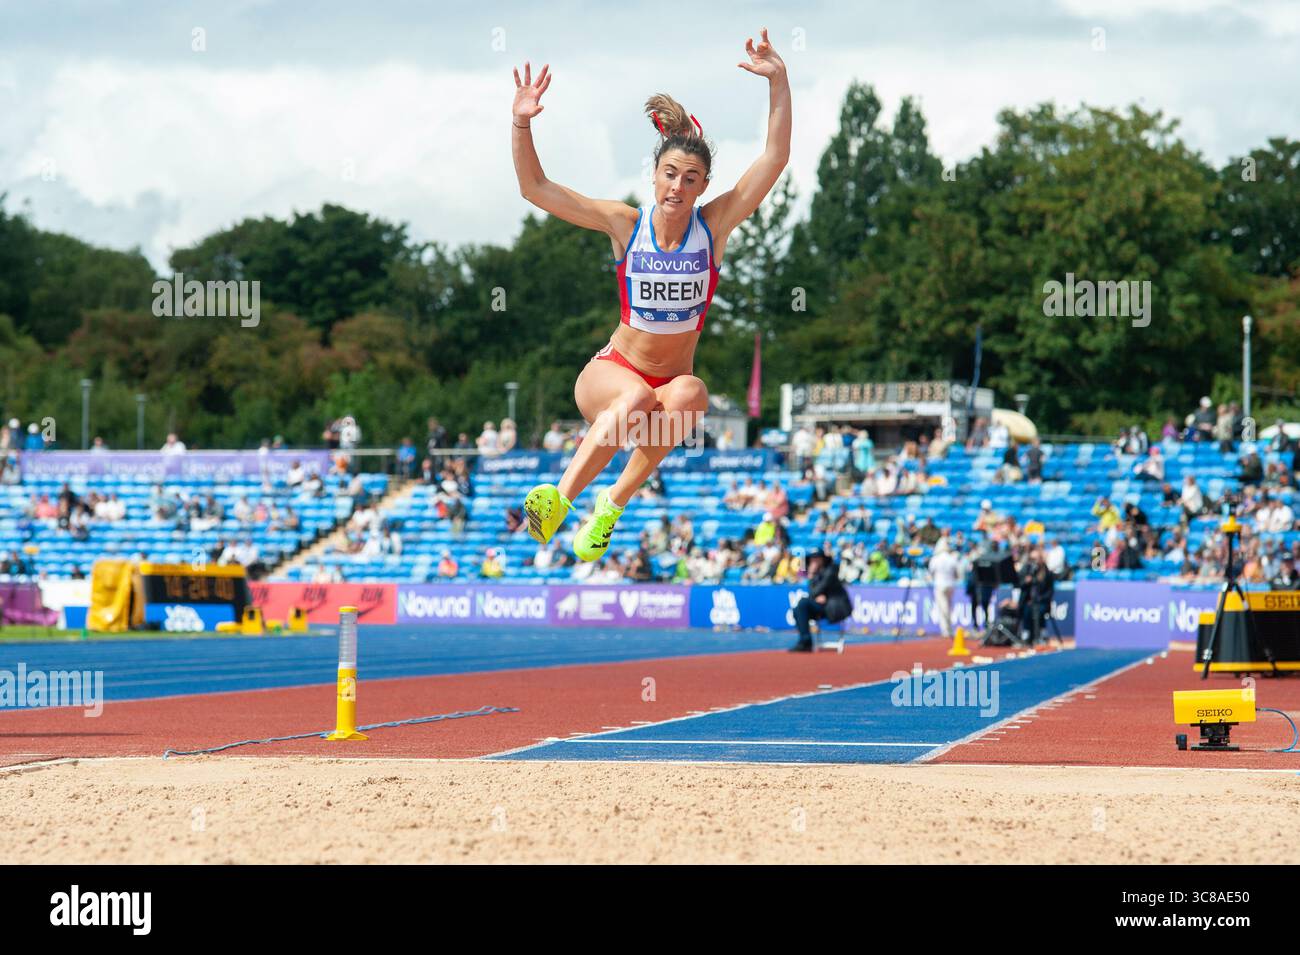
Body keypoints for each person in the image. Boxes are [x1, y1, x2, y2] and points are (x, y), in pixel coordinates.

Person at [511, 29, 791, 563]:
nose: (677, 187)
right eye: (669, 174)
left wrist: (778, 82)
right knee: (636, 396)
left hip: (665, 388)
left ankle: (609, 509)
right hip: (611, 374)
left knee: (692, 394)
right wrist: (522, 121)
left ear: (703, 186)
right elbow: (535, 188)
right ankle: (557, 502)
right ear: (654, 175)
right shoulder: (625, 224)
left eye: (690, 178)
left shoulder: (714, 227)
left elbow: (774, 158)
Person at [788, 551, 851, 652]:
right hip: (822, 606)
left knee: (804, 603)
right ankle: (805, 640)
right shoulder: (815, 573)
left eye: (817, 558)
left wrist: (815, 590)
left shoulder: (831, 569)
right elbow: (813, 592)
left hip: (834, 607)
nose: (814, 561)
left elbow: (818, 589)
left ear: (823, 559)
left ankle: (806, 640)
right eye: (812, 559)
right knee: (798, 609)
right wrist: (812, 576)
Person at [928, 539, 962, 639]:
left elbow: (931, 573)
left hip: (939, 584)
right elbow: (957, 574)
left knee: (943, 607)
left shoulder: (935, 559)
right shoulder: (952, 558)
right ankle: (949, 628)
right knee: (949, 606)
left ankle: (946, 630)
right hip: (950, 584)